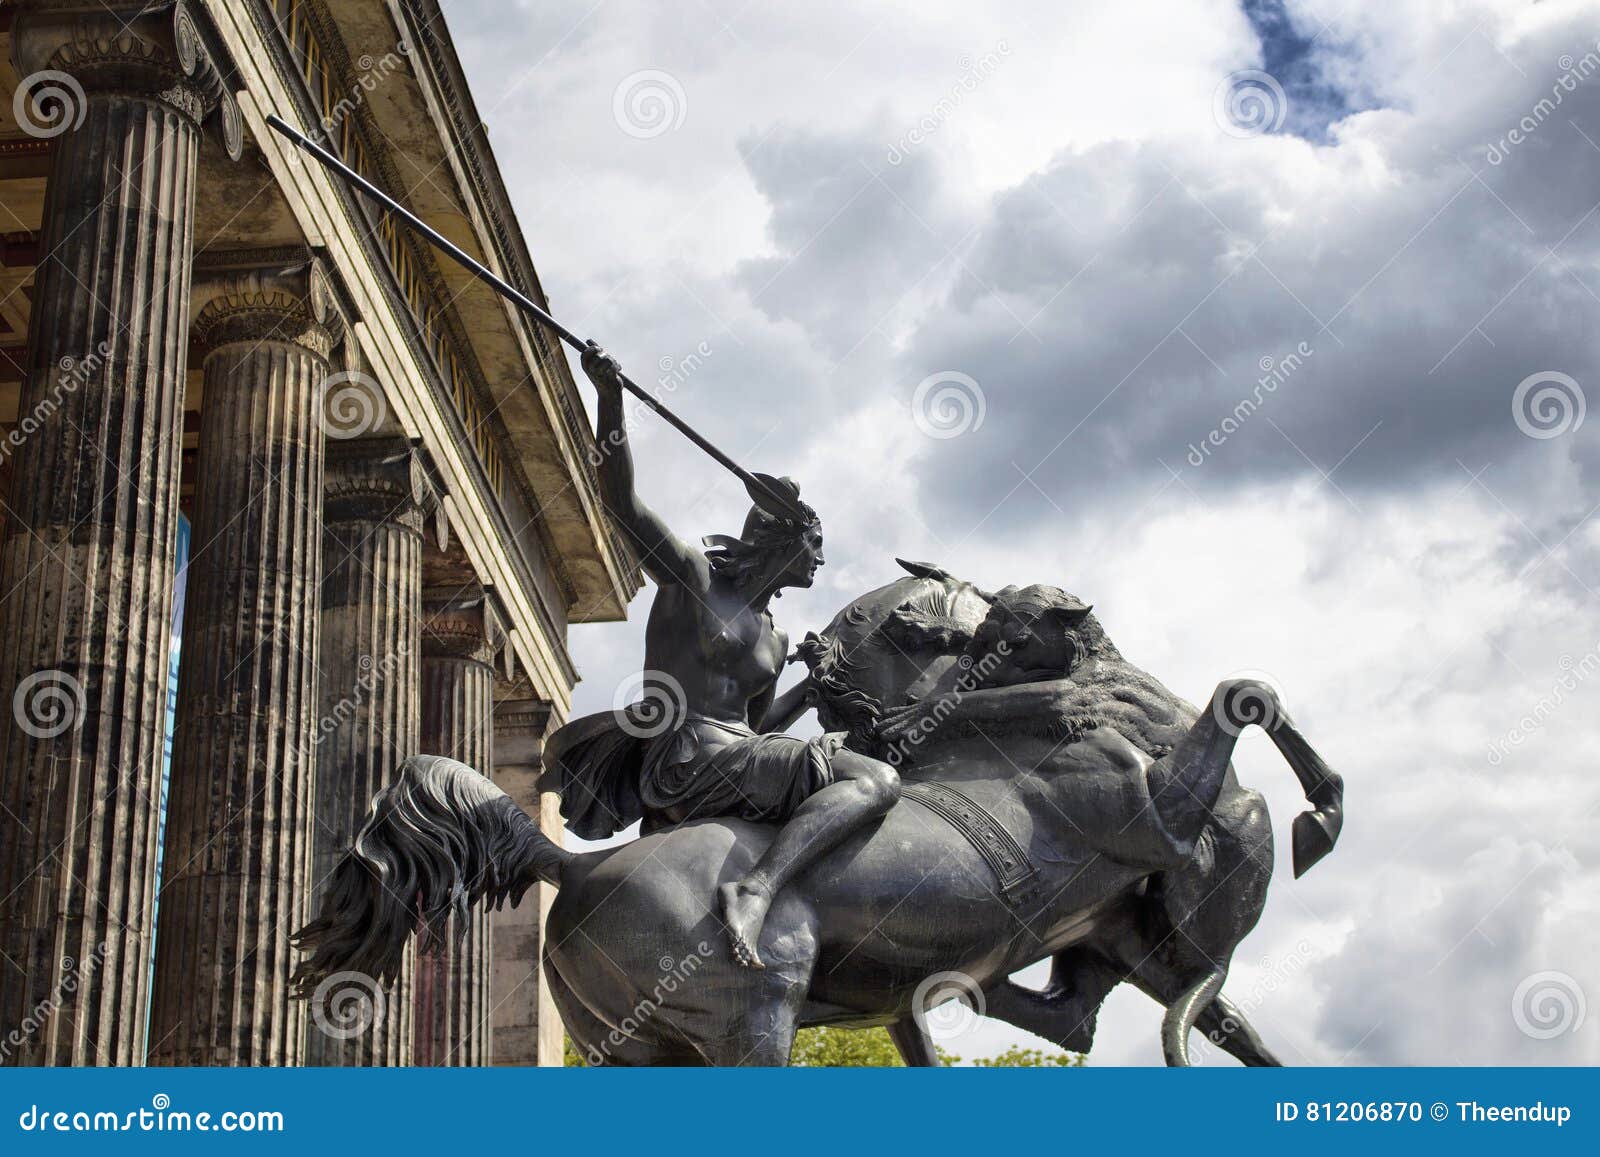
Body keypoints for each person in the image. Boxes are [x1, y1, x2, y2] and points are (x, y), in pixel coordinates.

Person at [543, 343, 901, 968]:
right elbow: (622, 505)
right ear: (782, 541)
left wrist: (808, 696)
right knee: (874, 782)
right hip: (685, 753)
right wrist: (609, 398)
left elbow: (757, 729)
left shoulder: (777, 636)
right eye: (814, 545)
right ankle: (758, 889)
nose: (821, 560)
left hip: (735, 755)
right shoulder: (693, 581)